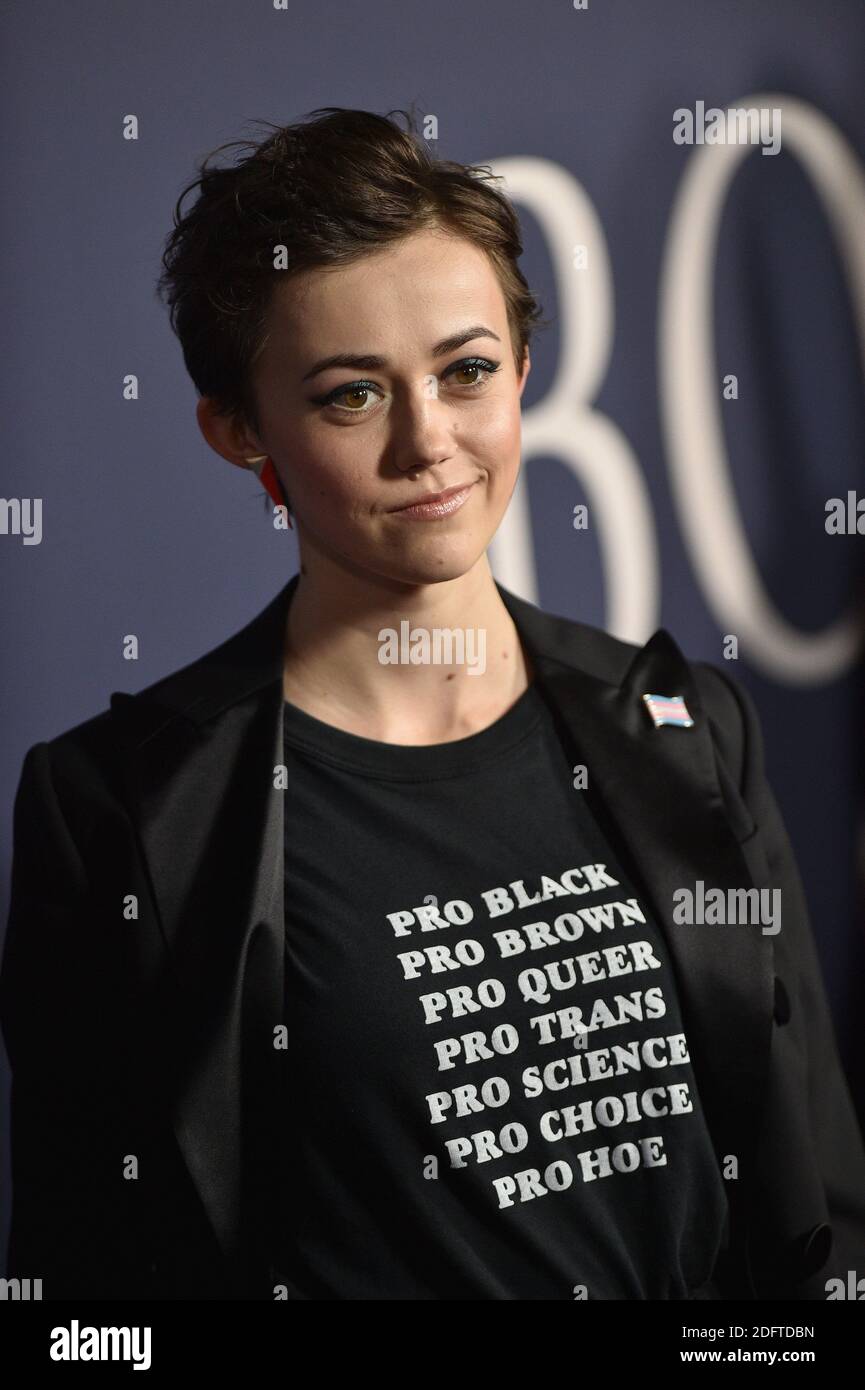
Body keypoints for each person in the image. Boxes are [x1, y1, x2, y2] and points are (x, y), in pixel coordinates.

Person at [2, 106, 864, 1302]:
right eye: (352, 396)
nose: (429, 443)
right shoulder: (124, 813)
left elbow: (819, 1206)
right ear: (241, 432)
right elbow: (85, 1294)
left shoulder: (686, 731)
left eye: (465, 372)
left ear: (520, 370)